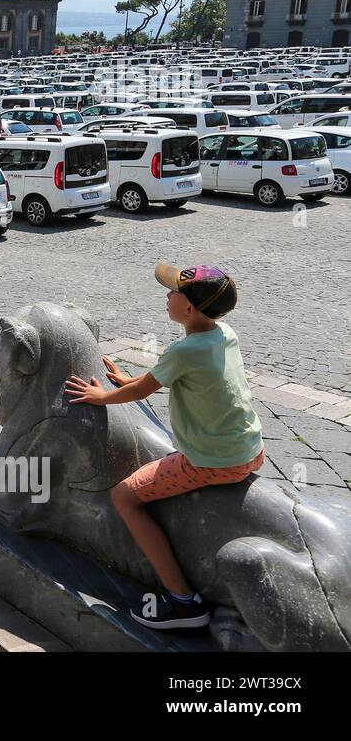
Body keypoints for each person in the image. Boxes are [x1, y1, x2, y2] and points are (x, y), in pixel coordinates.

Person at [64, 263, 263, 632]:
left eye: (173, 292)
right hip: (251, 450)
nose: (167, 295)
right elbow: (166, 377)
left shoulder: (183, 350)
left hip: (213, 460)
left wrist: (103, 395)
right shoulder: (224, 333)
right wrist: (127, 378)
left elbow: (143, 391)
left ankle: (184, 602)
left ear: (188, 309)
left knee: (125, 496)